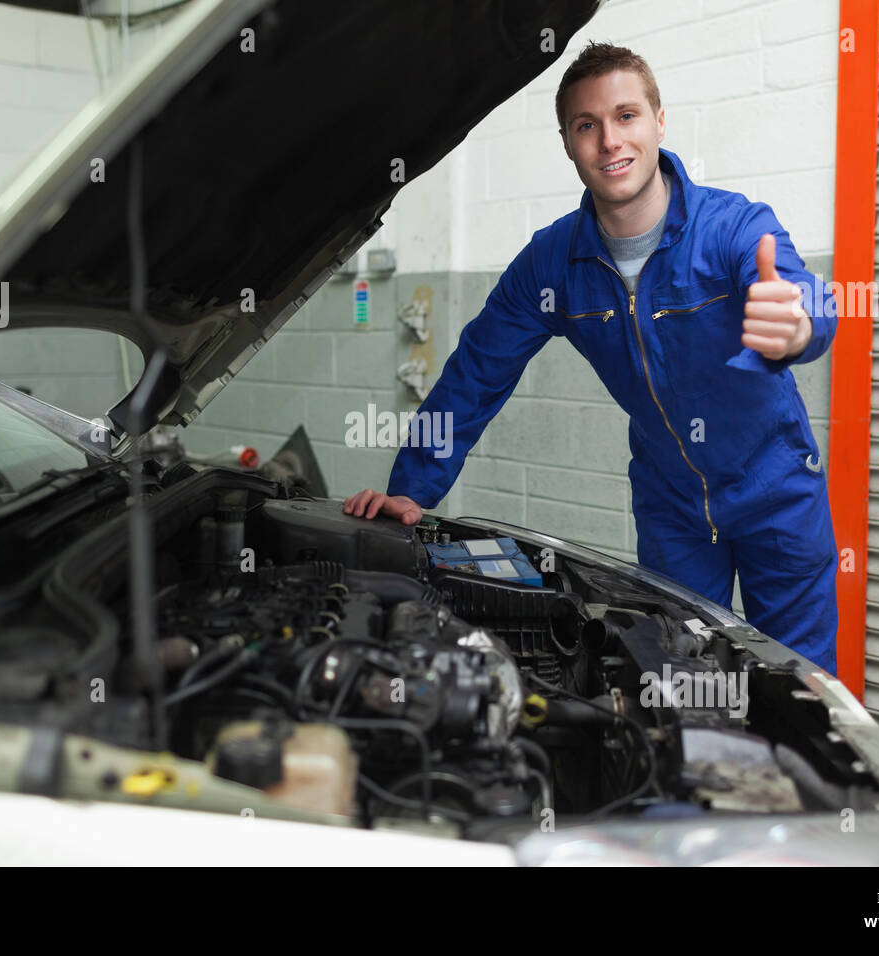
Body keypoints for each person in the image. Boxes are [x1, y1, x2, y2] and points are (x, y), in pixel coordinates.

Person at [342, 43, 839, 675]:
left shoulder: (734, 228)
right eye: (587, 125)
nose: (610, 141)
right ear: (568, 142)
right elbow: (475, 373)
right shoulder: (554, 263)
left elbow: (806, 299)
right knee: (681, 680)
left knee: (800, 687)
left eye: (627, 116)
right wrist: (410, 491)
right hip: (672, 506)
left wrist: (796, 325)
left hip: (776, 494)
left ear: (659, 119)